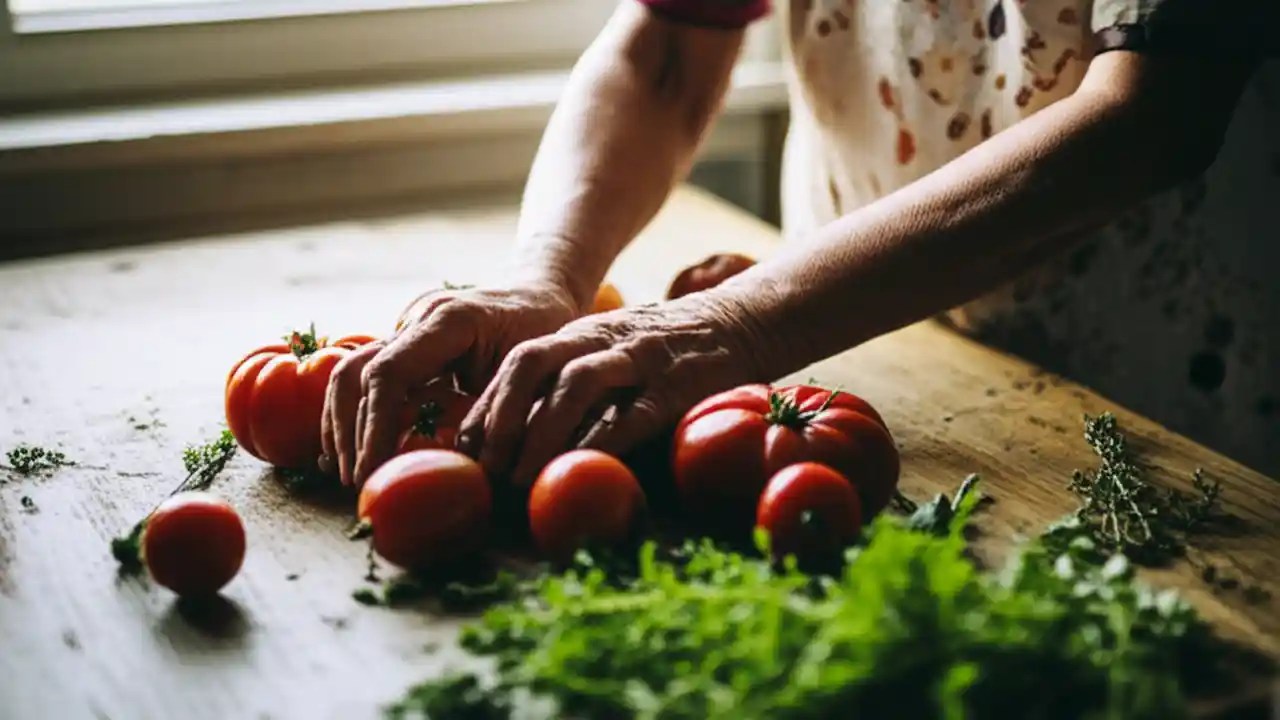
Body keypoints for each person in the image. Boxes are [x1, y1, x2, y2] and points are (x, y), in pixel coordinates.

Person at [320, 0, 1279, 487]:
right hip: (845, 342)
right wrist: (548, 273)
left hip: (1185, 376)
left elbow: (1154, 116)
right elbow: (668, 46)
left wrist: (735, 322)